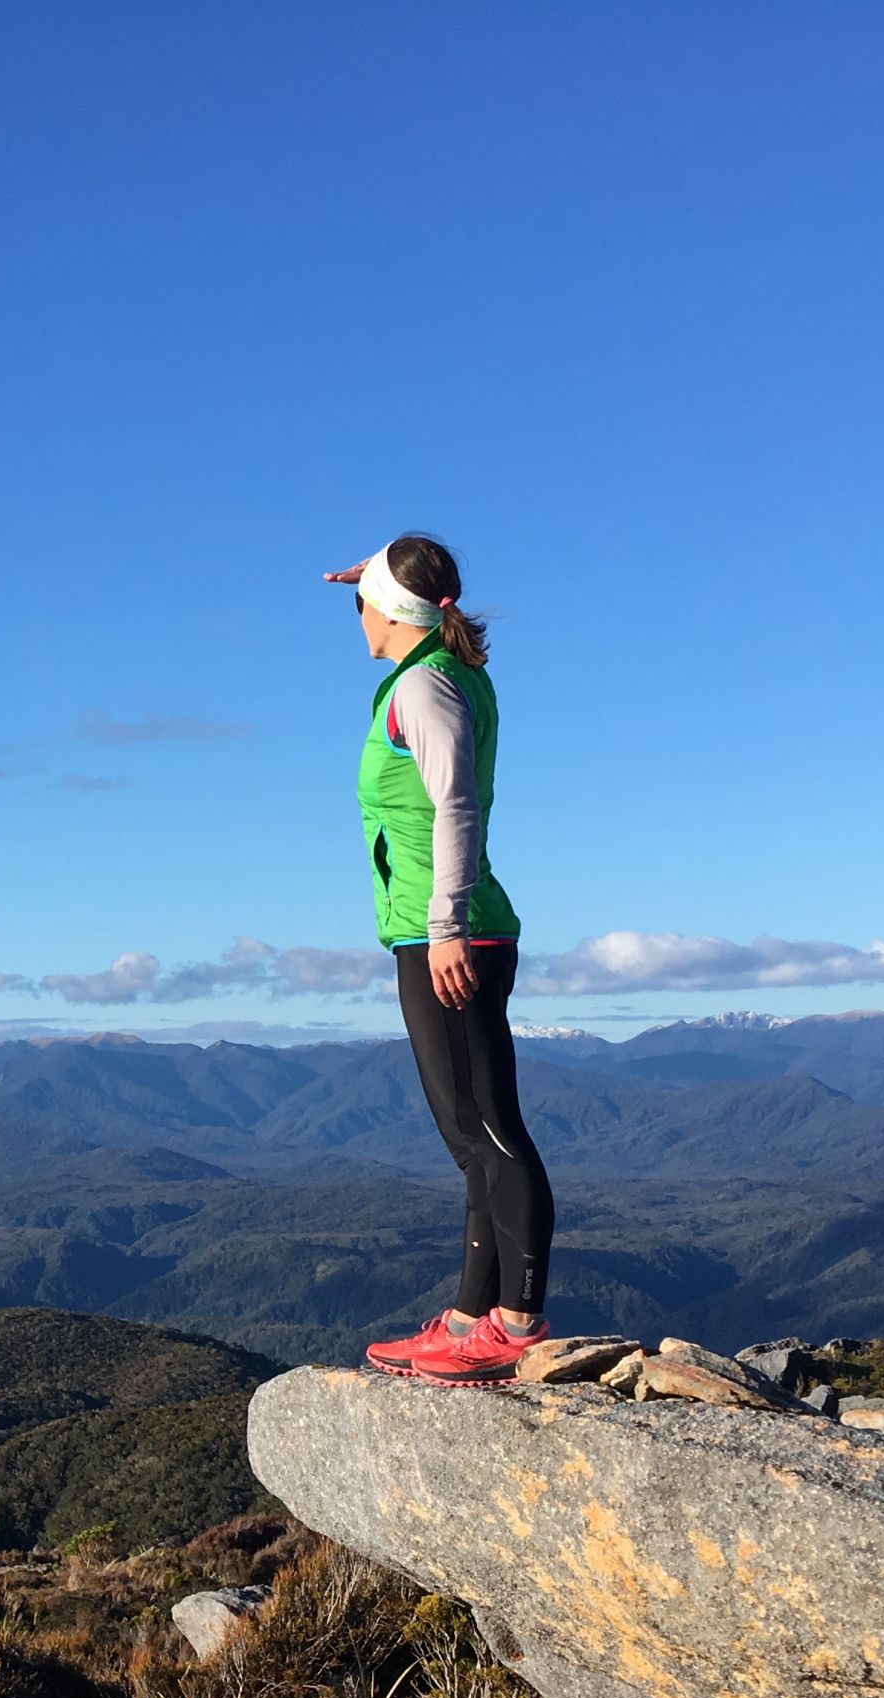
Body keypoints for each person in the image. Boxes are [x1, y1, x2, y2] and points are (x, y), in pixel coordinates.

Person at [324, 534, 554, 1383]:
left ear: (385, 613)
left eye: (362, 605)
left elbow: (454, 806)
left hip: (449, 933)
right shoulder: (440, 674)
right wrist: (379, 574)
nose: (356, 619)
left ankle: (517, 1322)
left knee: (491, 1131)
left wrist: (447, 925)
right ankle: (470, 1316)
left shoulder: (423, 686)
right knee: (470, 1138)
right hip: (436, 928)